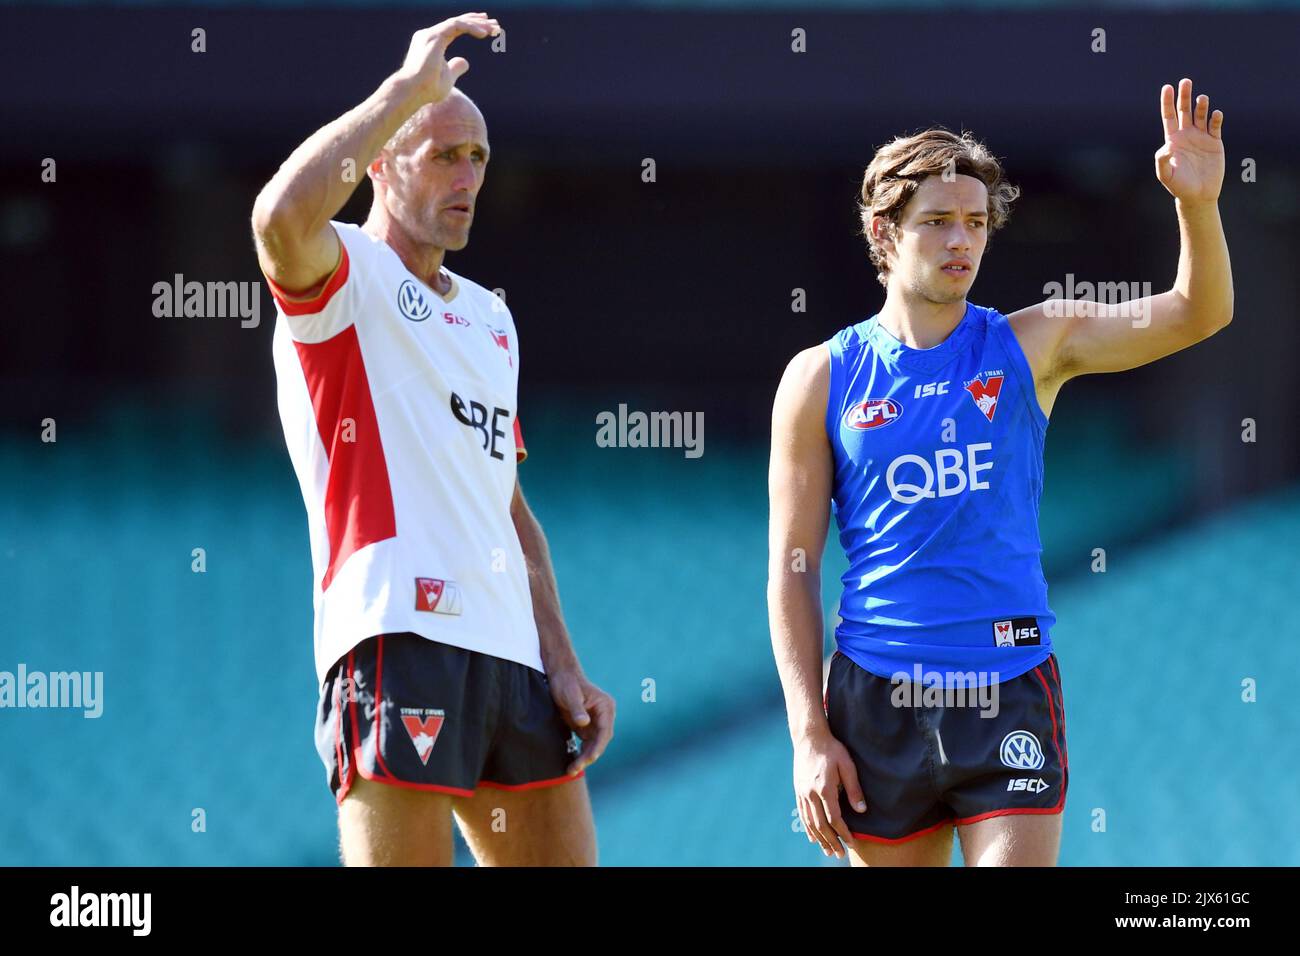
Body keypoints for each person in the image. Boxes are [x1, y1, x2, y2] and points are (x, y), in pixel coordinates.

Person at [768, 79, 1231, 866]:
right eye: (939, 222)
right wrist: (810, 735)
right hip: (874, 698)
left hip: (1006, 684)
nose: (962, 241)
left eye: (976, 223)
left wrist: (1196, 204)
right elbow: (791, 568)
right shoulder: (821, 377)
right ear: (884, 233)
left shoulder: (1034, 342)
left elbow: (1199, 311)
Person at [251, 11, 613, 866]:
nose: (469, 175)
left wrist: (561, 658)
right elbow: (274, 219)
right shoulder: (341, 273)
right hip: (397, 635)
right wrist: (403, 91)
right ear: (379, 162)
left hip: (512, 659)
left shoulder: (492, 315)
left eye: (478, 157)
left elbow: (507, 505)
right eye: (443, 153)